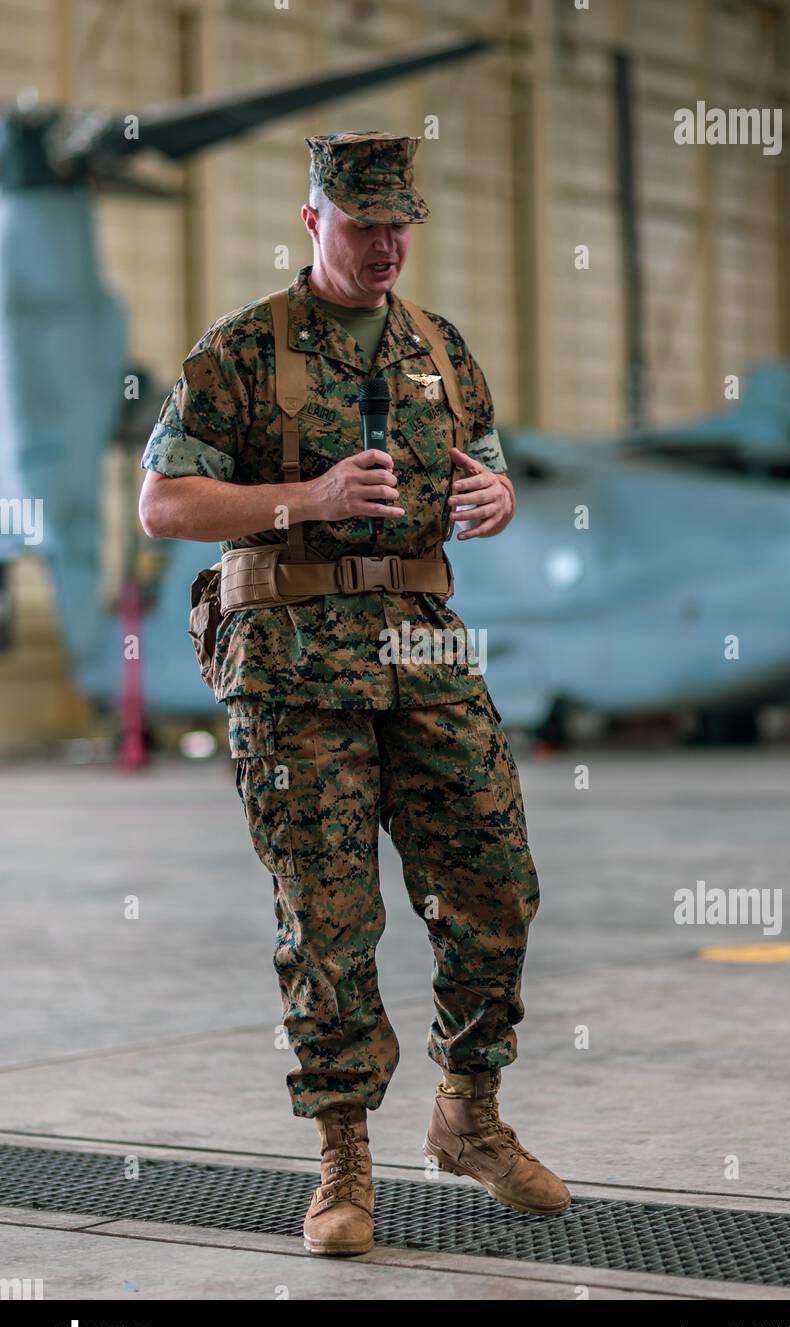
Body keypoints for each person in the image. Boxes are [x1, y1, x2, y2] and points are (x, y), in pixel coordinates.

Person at [139, 130, 570, 1257]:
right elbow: (164, 505)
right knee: (328, 919)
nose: (385, 245)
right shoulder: (241, 351)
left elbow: (483, 457)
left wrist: (497, 497)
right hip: (292, 666)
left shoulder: (438, 347)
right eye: (363, 223)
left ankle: (466, 1115)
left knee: (496, 885)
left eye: (399, 226)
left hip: (423, 650)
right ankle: (341, 1162)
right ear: (313, 221)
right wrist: (308, 494)